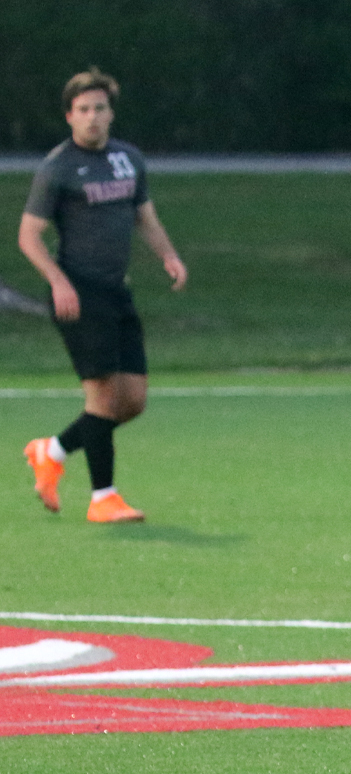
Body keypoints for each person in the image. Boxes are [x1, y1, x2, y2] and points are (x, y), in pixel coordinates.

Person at [19, 68, 187, 523]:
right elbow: (29, 236)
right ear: (69, 116)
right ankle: (102, 498)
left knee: (132, 400)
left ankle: (51, 451)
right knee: (104, 399)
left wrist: (168, 256)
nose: (92, 117)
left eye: (100, 108)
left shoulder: (128, 159)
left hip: (117, 292)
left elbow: (145, 218)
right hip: (78, 292)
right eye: (83, 110)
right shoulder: (58, 167)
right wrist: (58, 282)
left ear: (111, 113)